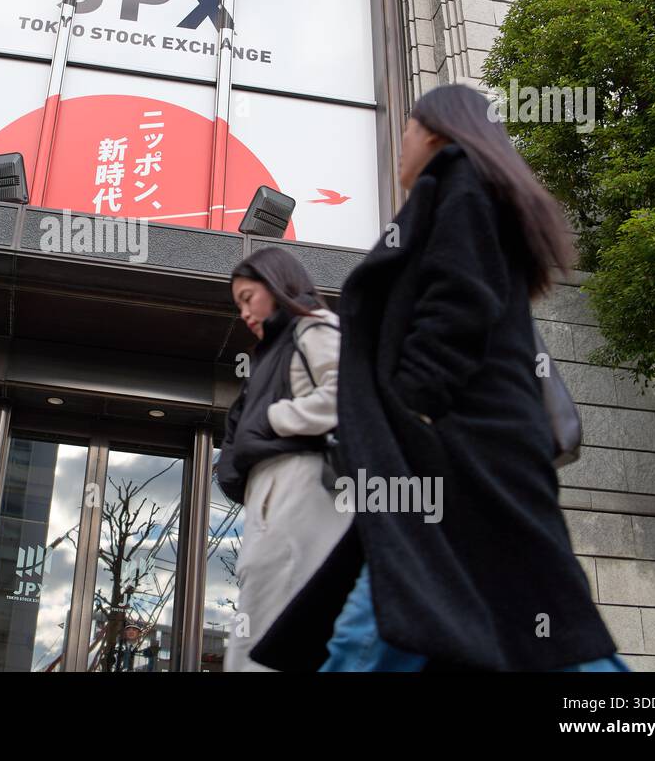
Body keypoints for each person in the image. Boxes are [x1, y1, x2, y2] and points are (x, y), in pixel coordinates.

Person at [249, 84, 628, 672]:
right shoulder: (472, 192)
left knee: (380, 625)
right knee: (515, 617)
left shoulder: (459, 182)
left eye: (405, 128)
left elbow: (458, 299)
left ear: (436, 130)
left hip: (451, 455)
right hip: (469, 457)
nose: (399, 144)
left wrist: (412, 409)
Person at [217, 247, 352, 671]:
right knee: (261, 627)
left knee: (275, 630)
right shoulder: (271, 352)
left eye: (247, 298)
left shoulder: (312, 326)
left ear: (277, 286)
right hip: (270, 499)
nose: (244, 313)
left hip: (301, 490)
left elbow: (347, 393)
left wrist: (274, 417)